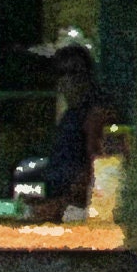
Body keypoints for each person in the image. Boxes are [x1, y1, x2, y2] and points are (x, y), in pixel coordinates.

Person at [36, 43, 115, 220]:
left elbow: (97, 169)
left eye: (74, 72)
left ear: (87, 75)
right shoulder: (71, 115)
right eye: (60, 73)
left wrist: (61, 204)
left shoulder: (97, 113)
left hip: (79, 212)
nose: (66, 80)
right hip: (61, 206)